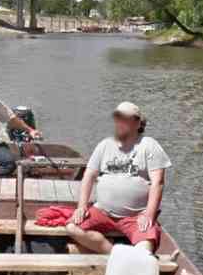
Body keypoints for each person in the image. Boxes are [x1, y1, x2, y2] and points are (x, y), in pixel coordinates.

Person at [67, 101, 172, 254]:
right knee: (72, 228)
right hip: (102, 212)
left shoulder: (149, 145)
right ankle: (114, 253)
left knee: (145, 249)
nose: (120, 123)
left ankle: (127, 257)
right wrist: (82, 206)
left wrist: (149, 213)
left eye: (125, 119)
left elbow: (158, 183)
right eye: (118, 119)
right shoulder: (105, 145)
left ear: (137, 123)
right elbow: (89, 176)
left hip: (135, 216)